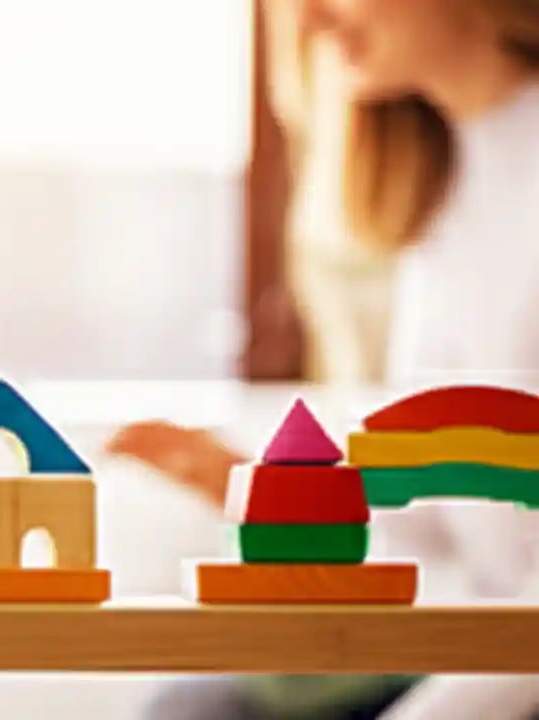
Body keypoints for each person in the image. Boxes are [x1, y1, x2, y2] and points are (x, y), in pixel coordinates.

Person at [111, 0, 539, 718]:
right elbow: (446, 516)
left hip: (513, 656)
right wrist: (270, 490)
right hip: (494, 641)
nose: (306, 18)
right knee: (193, 705)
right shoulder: (448, 186)